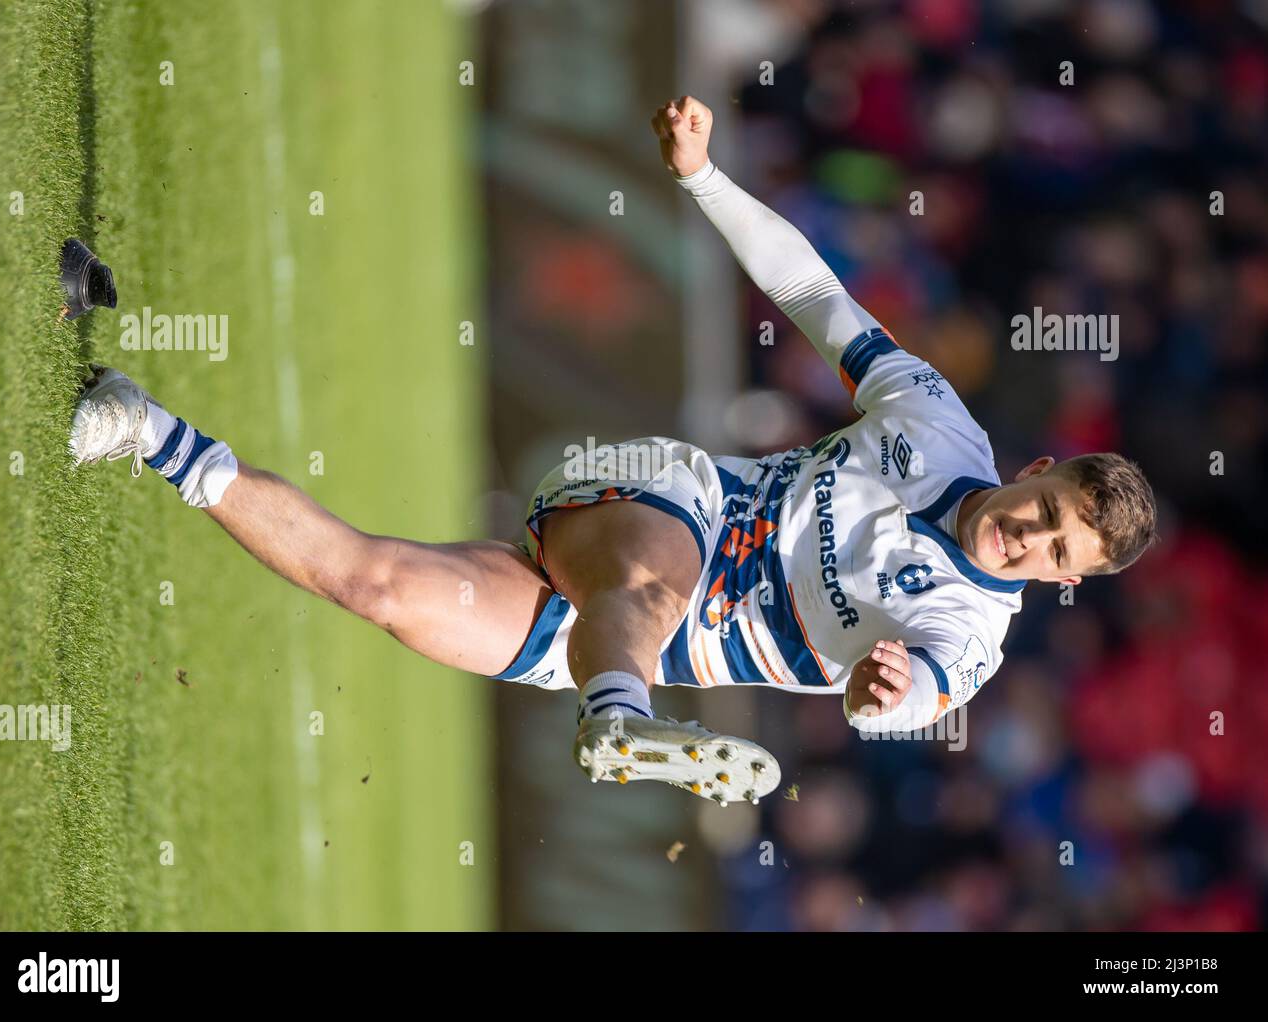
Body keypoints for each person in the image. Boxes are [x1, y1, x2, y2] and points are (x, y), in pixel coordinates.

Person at [68, 96, 1157, 805]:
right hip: (673, 506)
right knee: (647, 584)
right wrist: (699, 178)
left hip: (628, 654)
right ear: (1030, 473)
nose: (1030, 535)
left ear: (1064, 580)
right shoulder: (933, 420)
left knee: (379, 584)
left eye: (1054, 549)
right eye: (1047, 504)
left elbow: (908, 699)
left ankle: (143, 425)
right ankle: (625, 728)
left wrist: (882, 691)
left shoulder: (967, 637)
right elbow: (814, 293)